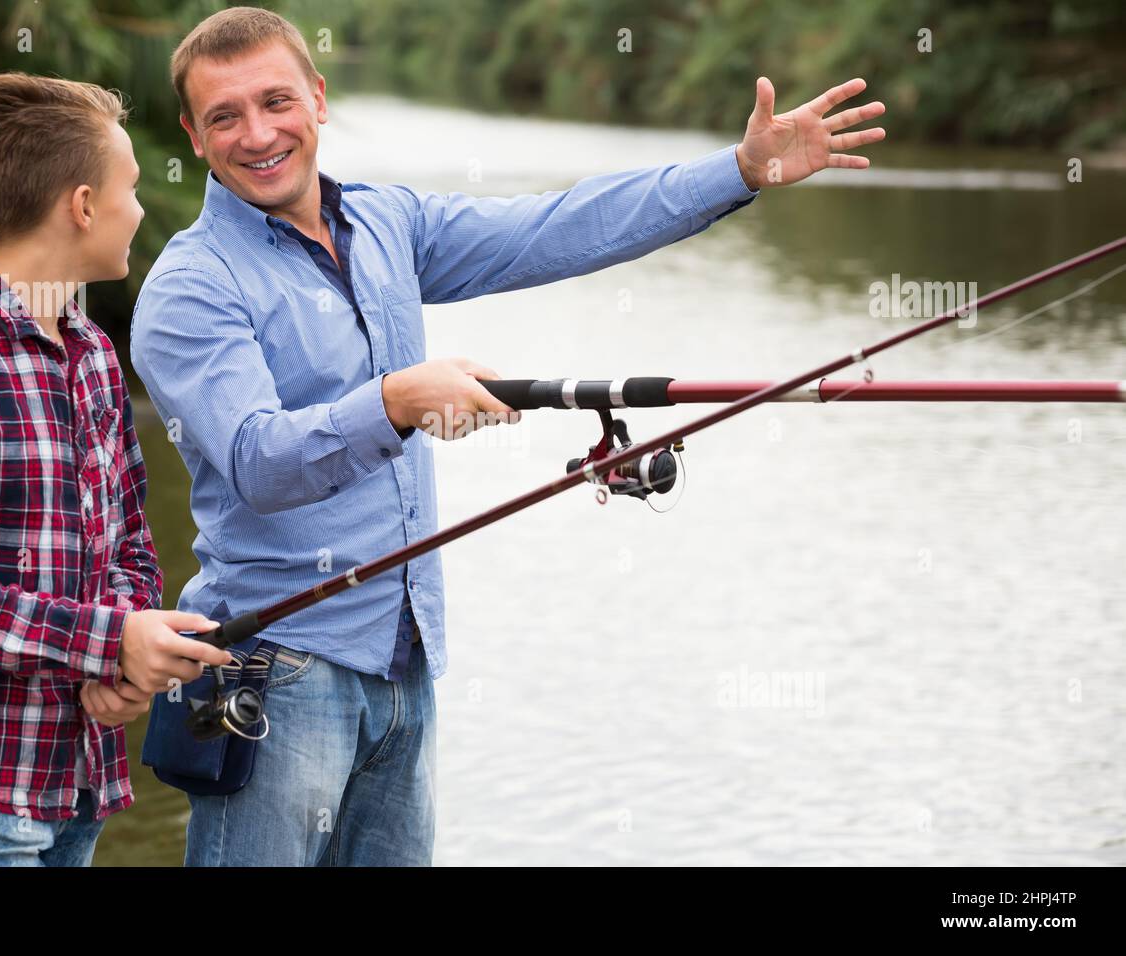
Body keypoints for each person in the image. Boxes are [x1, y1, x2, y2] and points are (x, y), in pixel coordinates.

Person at [132, 6, 886, 866]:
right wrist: (397, 401)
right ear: (193, 135)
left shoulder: (387, 224)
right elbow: (258, 462)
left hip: (405, 661)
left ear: (319, 100)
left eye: (276, 102)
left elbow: (552, 228)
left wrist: (737, 170)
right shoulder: (189, 287)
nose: (258, 134)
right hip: (275, 671)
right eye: (225, 116)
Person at [0, 72, 232, 867]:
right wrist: (109, 642)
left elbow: (129, 542)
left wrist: (126, 665)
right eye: (131, 189)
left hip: (77, 779)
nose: (141, 209)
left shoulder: (95, 354)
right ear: (84, 204)